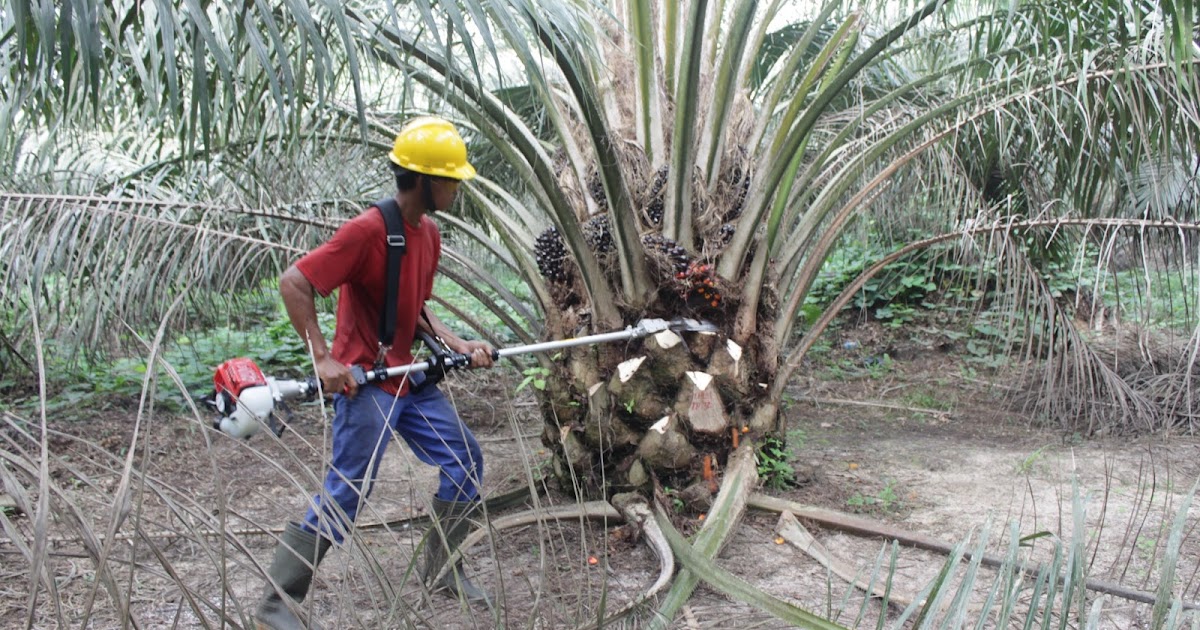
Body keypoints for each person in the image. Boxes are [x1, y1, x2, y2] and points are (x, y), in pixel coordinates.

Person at [254, 117, 496, 630]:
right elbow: (295, 282)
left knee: (464, 459)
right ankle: (276, 605)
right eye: (451, 180)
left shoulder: (429, 233)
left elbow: (415, 305)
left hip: (410, 380)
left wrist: (456, 342)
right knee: (348, 490)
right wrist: (322, 357)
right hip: (365, 383)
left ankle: (443, 571)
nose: (457, 189)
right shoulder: (367, 231)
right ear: (424, 180)